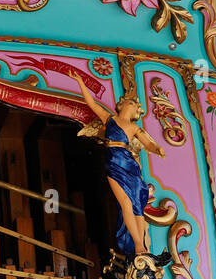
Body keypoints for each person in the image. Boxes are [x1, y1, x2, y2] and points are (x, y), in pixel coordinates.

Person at [68, 70, 166, 256]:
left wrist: (157, 150)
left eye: (133, 104)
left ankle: (141, 246)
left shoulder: (134, 127)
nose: (130, 105)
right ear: (122, 106)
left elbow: (148, 143)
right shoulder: (109, 119)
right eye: (129, 102)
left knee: (136, 204)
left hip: (129, 163)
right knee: (124, 203)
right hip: (113, 163)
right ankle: (137, 244)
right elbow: (90, 103)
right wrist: (80, 82)